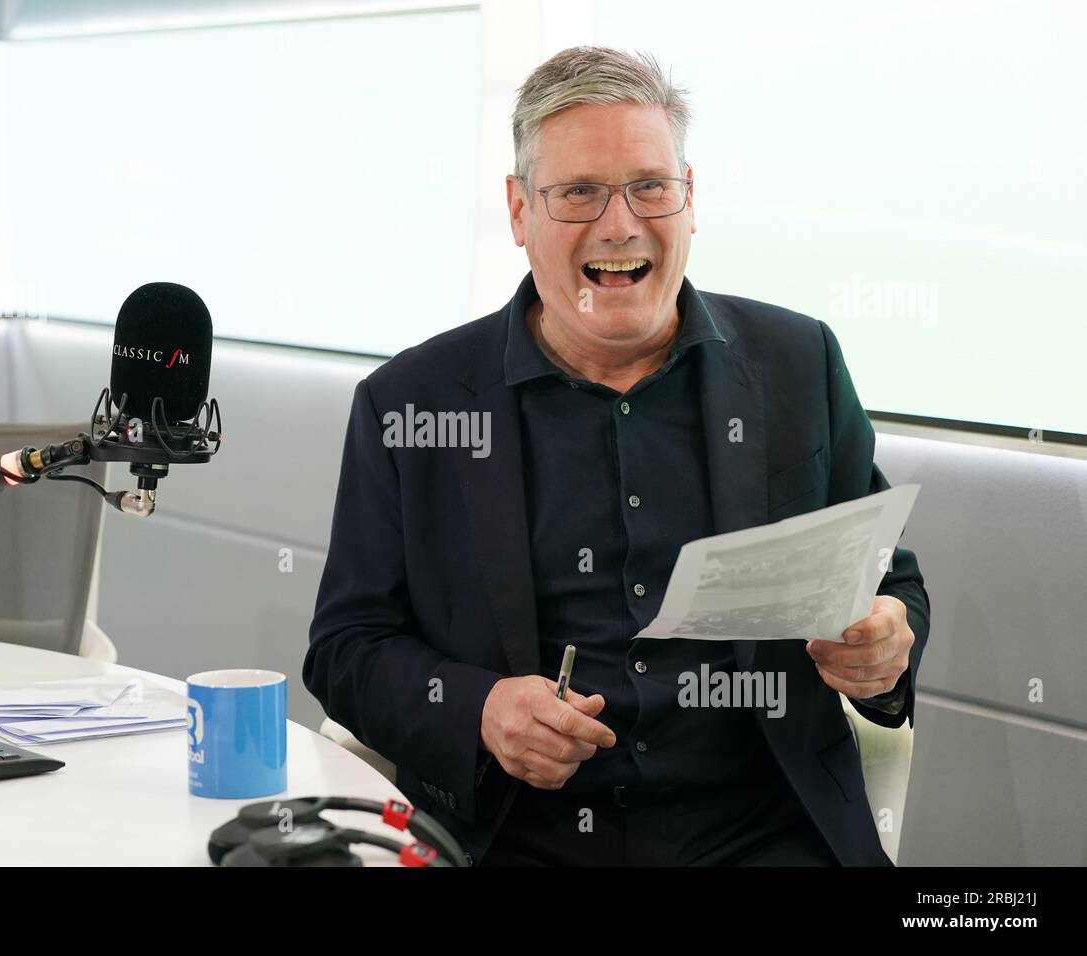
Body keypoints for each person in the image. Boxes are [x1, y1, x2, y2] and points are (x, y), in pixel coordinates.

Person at [304, 46, 929, 866]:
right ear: (520, 211)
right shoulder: (410, 403)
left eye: (649, 186)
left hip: (765, 832)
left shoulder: (796, 362)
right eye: (579, 193)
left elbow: (888, 579)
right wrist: (482, 708)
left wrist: (886, 643)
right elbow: (347, 646)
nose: (620, 222)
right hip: (517, 835)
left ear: (690, 200)